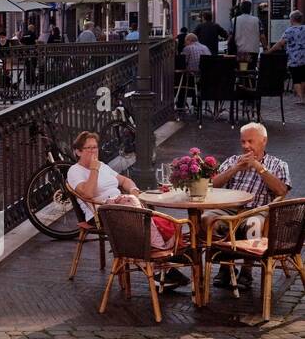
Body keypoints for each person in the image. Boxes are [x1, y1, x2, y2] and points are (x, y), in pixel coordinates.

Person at [66, 130, 188, 290]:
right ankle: (160, 262)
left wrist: (134, 190)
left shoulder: (102, 166)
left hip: (122, 207)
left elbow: (124, 180)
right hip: (100, 213)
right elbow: (88, 193)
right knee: (142, 217)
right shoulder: (75, 171)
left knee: (143, 214)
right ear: (78, 151)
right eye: (88, 148)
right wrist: (94, 170)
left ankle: (159, 264)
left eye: (95, 147)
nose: (93, 151)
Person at [207, 122, 291, 290]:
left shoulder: (278, 165)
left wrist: (258, 167)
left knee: (254, 223)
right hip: (230, 208)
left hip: (258, 210)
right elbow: (211, 185)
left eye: (250, 141)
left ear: (264, 141)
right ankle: (226, 266)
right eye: (243, 142)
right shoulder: (233, 160)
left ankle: (247, 270)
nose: (246, 146)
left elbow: (282, 191)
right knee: (208, 219)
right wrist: (235, 168)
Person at [268, 9, 305, 104]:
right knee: (303, 78)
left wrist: (269, 51)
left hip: (294, 59)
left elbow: (280, 43)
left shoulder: (289, 31)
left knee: (296, 79)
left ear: (292, 19)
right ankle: (304, 96)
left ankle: (301, 99)